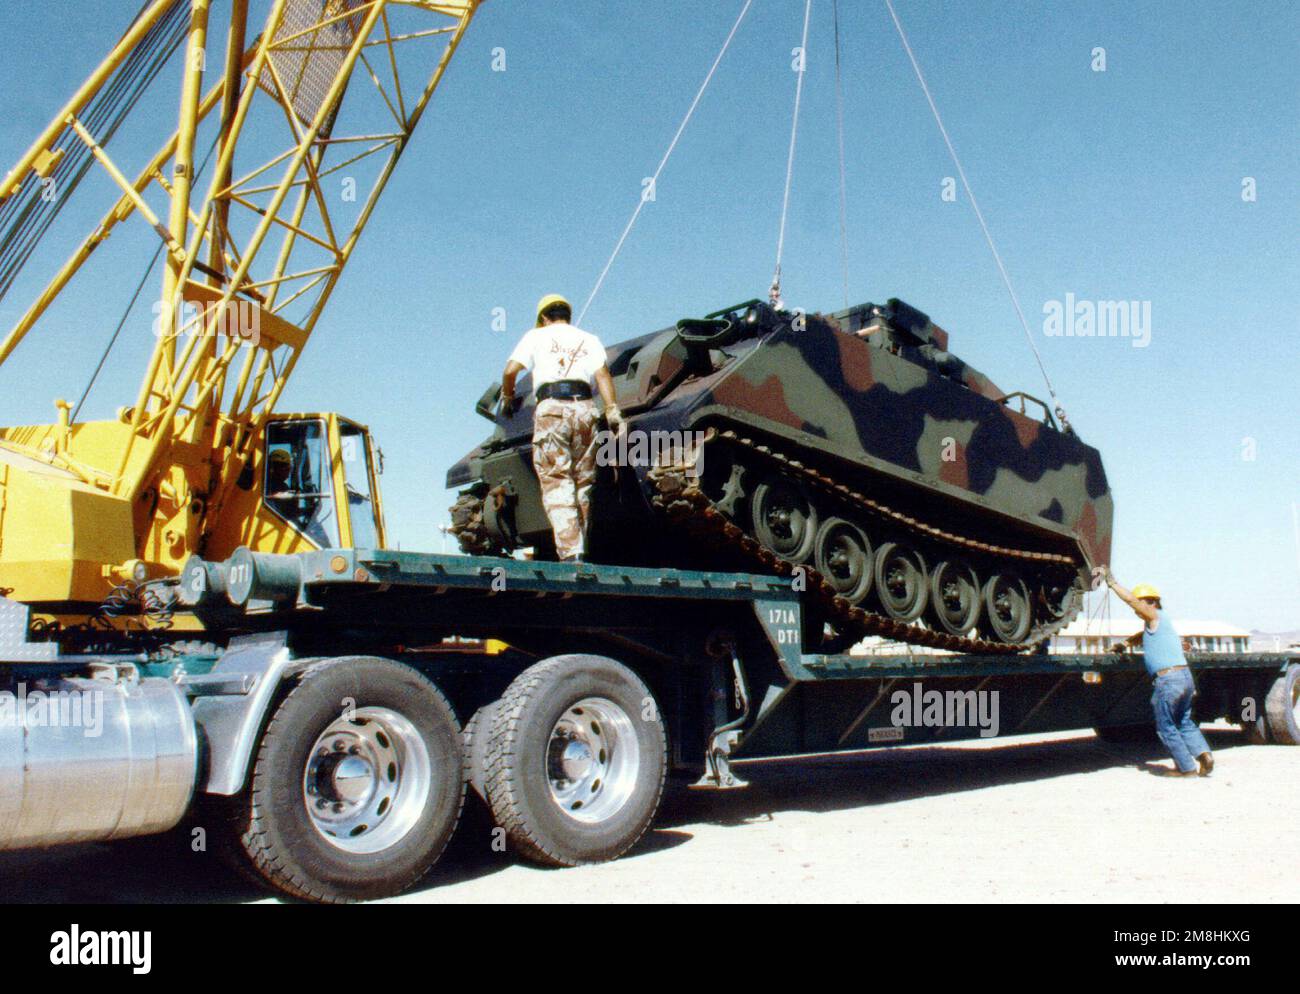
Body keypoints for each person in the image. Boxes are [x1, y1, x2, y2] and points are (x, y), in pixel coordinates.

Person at [500, 293, 624, 562]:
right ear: (567, 314)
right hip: (585, 409)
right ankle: (580, 548)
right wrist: (612, 409)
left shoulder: (536, 336)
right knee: (583, 483)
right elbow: (603, 375)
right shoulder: (589, 338)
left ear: (544, 318)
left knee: (557, 480)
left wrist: (507, 397)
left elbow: (510, 371)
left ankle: (571, 553)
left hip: (553, 408)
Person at [1095, 566, 1213, 777]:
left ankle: (1186, 769)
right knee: (1184, 721)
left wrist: (1112, 583)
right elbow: (1141, 635)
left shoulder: (1153, 614)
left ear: (1152, 602)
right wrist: (1124, 644)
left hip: (1168, 680)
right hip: (1184, 677)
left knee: (1166, 727)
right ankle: (1204, 754)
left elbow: (1131, 601)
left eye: (1142, 603)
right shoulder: (1161, 621)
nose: (1137, 609)